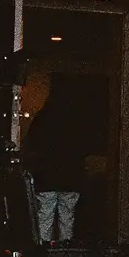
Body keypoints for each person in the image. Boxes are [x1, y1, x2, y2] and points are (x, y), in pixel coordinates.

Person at [25, 83, 90, 245]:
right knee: (67, 218)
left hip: (46, 176)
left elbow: (32, 144)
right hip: (71, 177)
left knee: (44, 216)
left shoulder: (42, 119)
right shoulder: (77, 121)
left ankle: (43, 251)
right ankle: (64, 251)